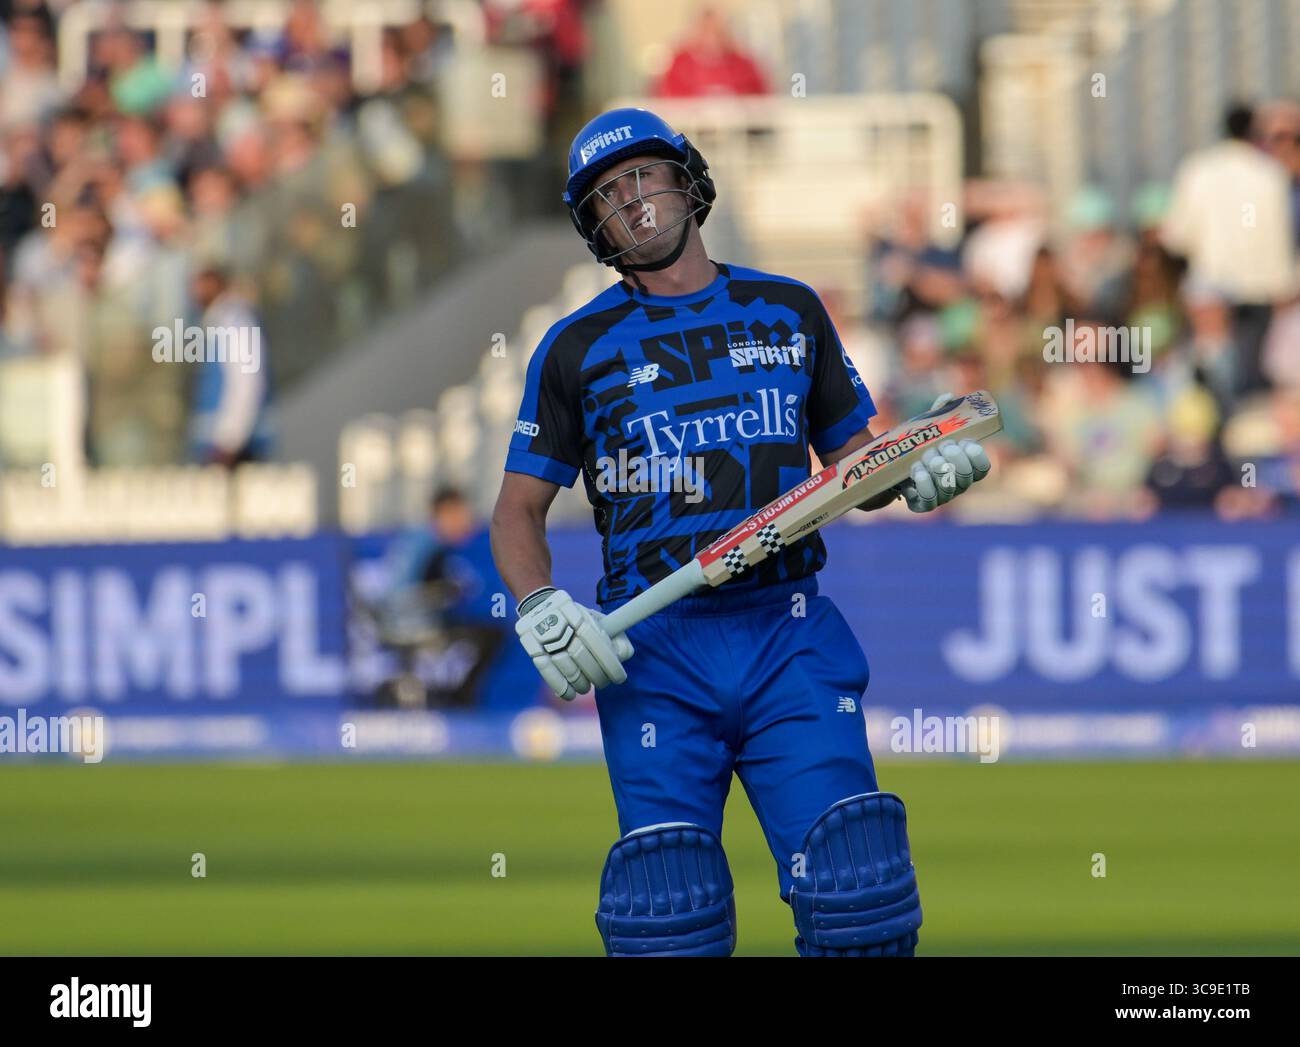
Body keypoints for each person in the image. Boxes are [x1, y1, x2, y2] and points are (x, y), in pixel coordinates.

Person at [490, 107, 991, 956]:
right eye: (609, 194)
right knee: (668, 920)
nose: (634, 201)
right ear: (592, 227)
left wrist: (916, 468)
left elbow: (853, 469)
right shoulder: (575, 349)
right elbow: (516, 508)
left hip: (788, 635)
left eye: (645, 175)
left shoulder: (789, 309)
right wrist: (539, 603)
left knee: (856, 896)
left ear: (689, 180)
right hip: (652, 650)